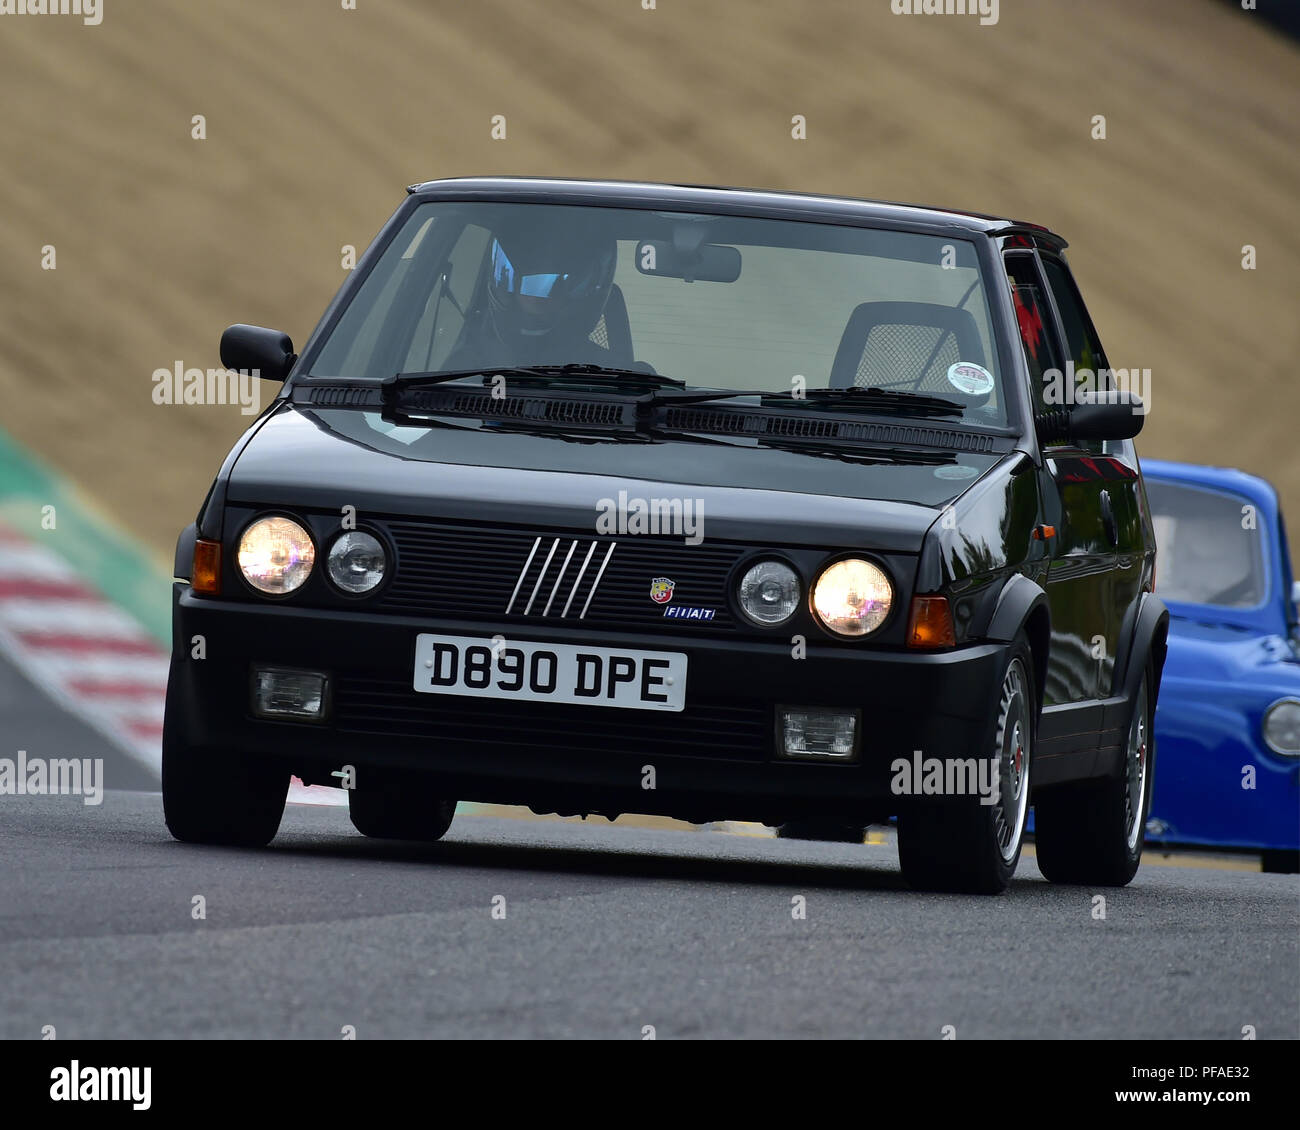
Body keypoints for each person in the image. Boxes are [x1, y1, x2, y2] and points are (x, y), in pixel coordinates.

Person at [444, 219, 620, 371]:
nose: (538, 297)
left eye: (552, 285)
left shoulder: (616, 376)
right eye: (528, 283)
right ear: (507, 286)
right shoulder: (465, 367)